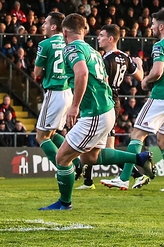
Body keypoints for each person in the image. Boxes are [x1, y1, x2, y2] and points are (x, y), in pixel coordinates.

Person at [39, 14, 154, 211]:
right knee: (90, 158)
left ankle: (64, 203)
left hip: (95, 113)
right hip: (106, 109)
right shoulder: (92, 51)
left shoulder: (72, 48)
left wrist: (75, 106)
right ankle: (139, 159)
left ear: (65, 32)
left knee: (62, 158)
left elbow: (82, 73)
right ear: (83, 30)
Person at [102, 10, 164, 192]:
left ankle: (124, 178)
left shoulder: (160, 45)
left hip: (161, 96)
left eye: (153, 24)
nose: (151, 27)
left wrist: (145, 81)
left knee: (137, 135)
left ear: (161, 26)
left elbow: (157, 71)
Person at [80, 24, 145, 190]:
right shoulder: (125, 57)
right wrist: (140, 64)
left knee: (95, 144)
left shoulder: (104, 60)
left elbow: (103, 84)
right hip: (116, 103)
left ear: (110, 39)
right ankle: (88, 181)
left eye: (101, 36)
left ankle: (138, 172)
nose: (98, 38)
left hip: (104, 102)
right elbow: (139, 76)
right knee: (100, 146)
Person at [31, 12, 78, 172]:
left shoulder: (45, 44)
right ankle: (78, 165)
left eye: (45, 23)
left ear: (53, 26)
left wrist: (44, 70)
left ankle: (63, 169)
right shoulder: (68, 43)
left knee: (41, 136)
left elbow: (37, 72)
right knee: (51, 133)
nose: (42, 25)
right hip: (68, 92)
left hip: (54, 92)